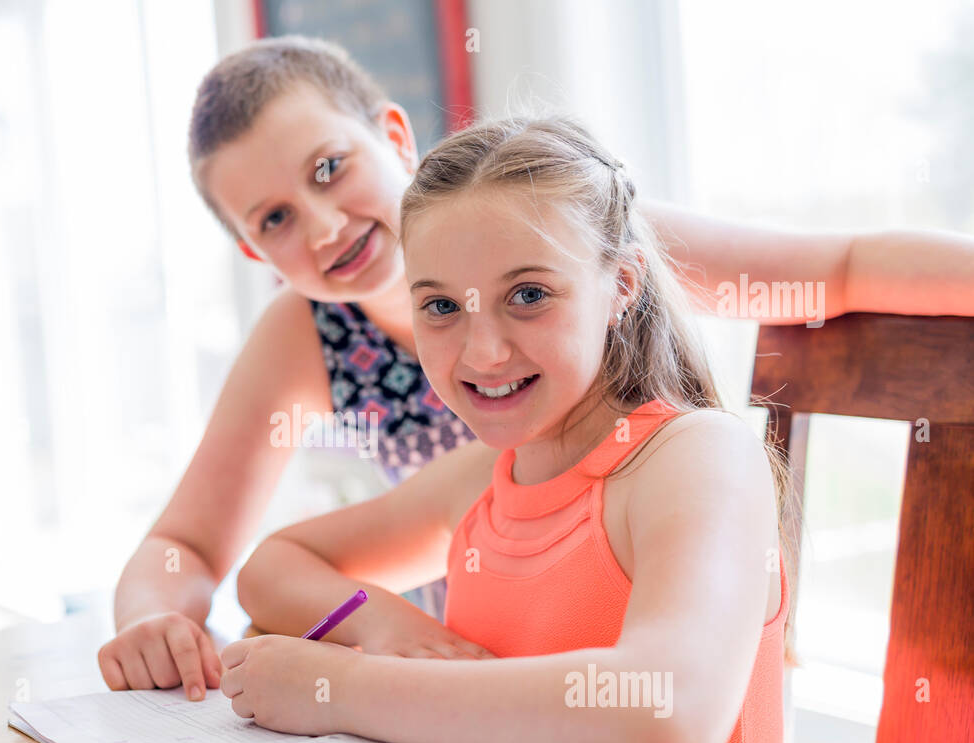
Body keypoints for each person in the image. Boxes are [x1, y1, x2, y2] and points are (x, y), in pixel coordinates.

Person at [99, 36, 974, 701]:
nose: (324, 226)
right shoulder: (307, 337)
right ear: (255, 252)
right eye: (277, 220)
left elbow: (844, 267)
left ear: (391, 134)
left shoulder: (569, 232)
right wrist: (153, 618)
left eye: (331, 169)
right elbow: (191, 547)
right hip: (468, 671)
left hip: (638, 653)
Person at [228, 113, 790, 743]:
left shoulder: (697, 458)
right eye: (440, 307)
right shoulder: (478, 482)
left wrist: (345, 688)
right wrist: (385, 628)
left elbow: (665, 713)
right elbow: (272, 566)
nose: (483, 352)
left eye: (528, 295)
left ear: (622, 284)